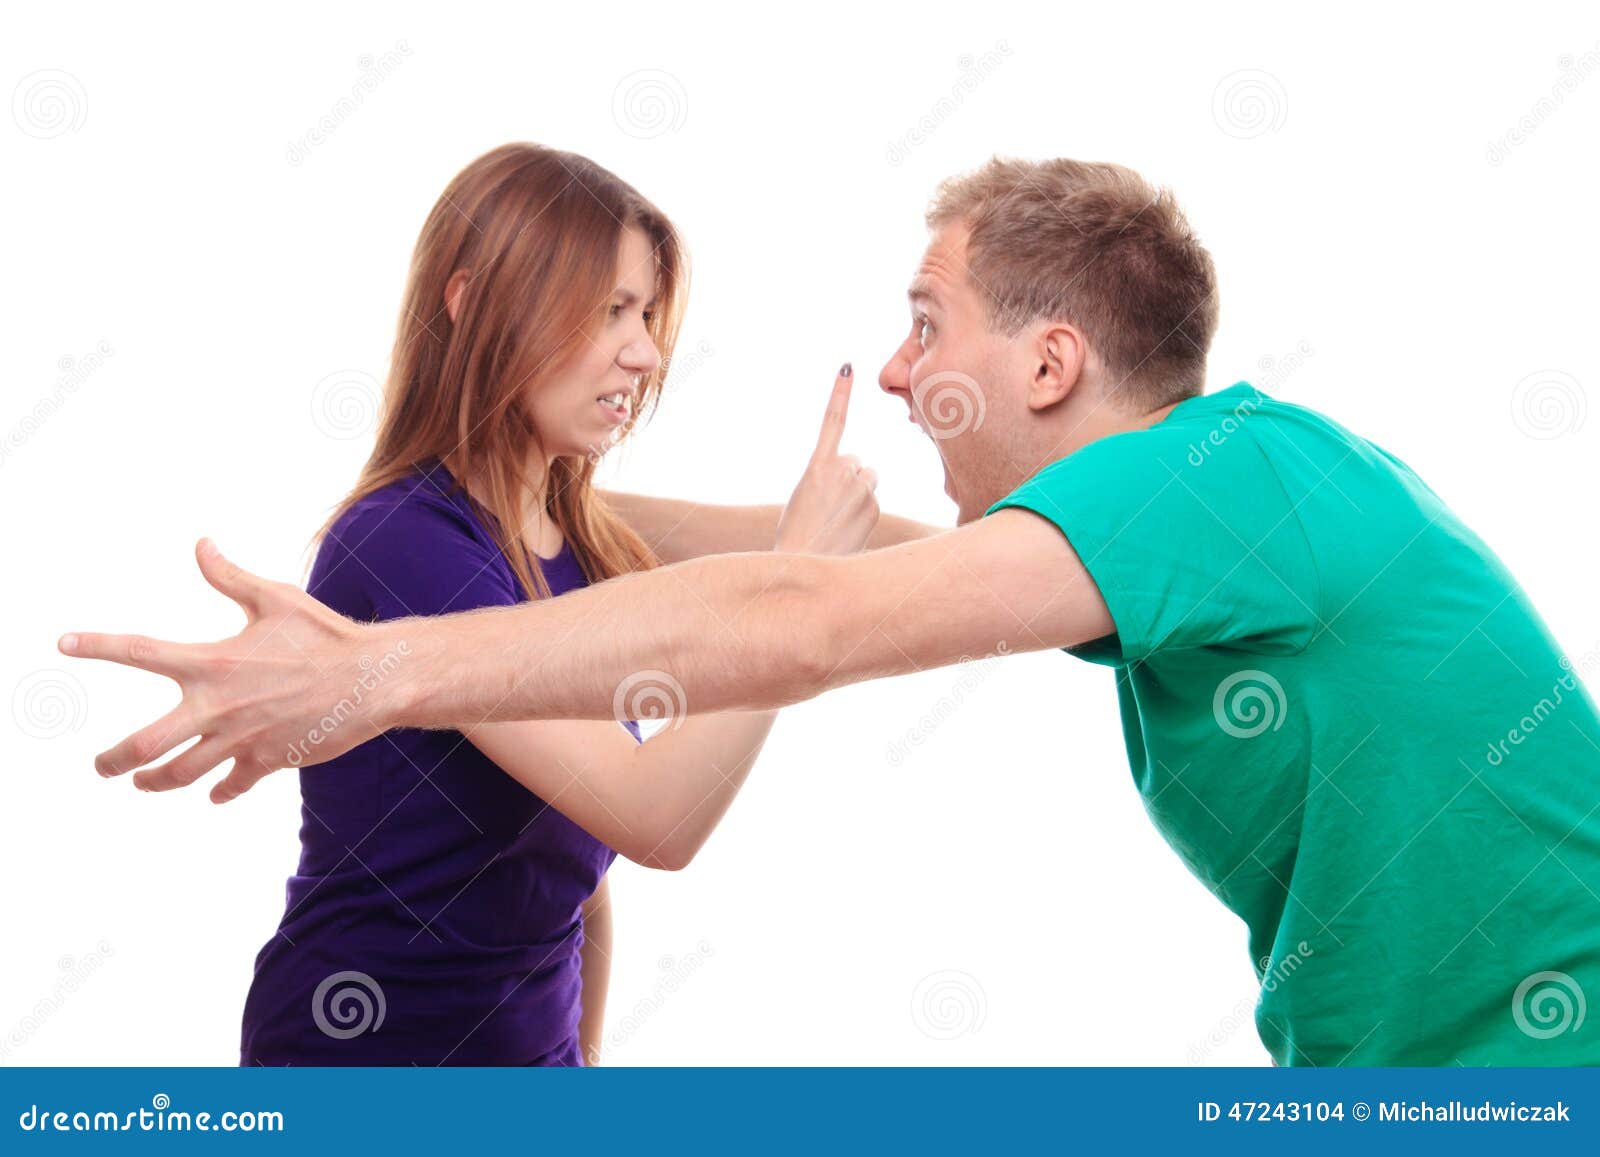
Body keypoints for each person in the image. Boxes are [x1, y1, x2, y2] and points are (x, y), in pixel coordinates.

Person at [64, 157, 1600, 1067]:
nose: (890, 365)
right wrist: (509, 516)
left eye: (925, 325)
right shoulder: (1225, 492)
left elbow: (816, 606)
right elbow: (795, 572)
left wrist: (376, 667)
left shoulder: (1205, 484)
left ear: (1049, 370)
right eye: (612, 313)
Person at [211, 143, 924, 1067]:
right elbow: (653, 814)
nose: (647, 349)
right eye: (610, 310)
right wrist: (800, 577)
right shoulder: (401, 545)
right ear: (472, 303)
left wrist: (1065, 542)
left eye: (647, 312)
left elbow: (572, 879)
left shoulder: (579, 529)